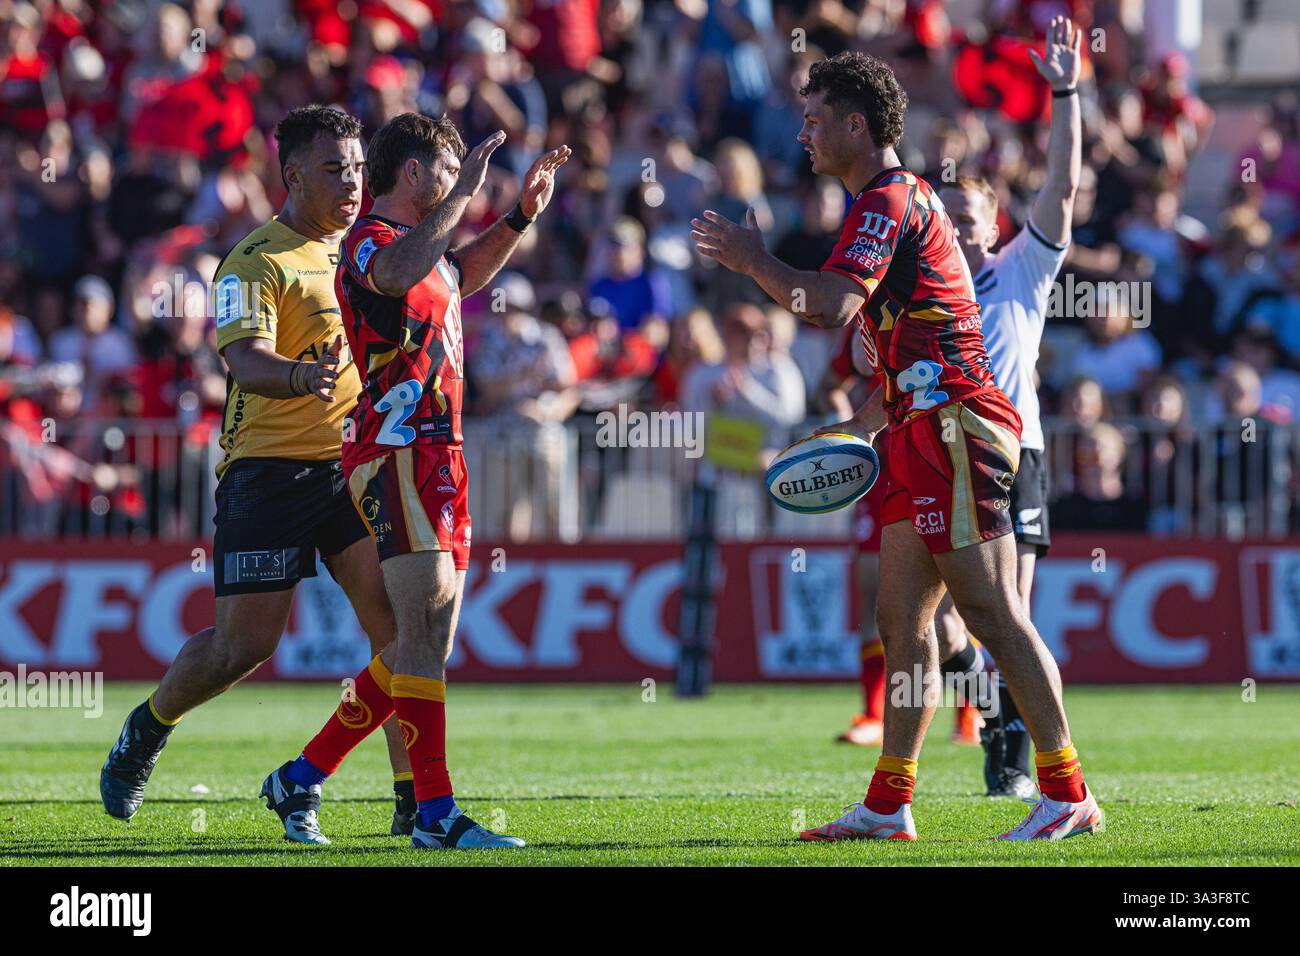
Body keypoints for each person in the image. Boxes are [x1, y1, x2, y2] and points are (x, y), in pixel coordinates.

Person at [691, 49, 1100, 841]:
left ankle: (1067, 789)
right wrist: (859, 427)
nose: (803, 133)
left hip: (956, 426)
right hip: (922, 424)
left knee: (991, 612)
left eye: (815, 120)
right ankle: (889, 802)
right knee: (901, 621)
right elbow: (905, 352)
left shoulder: (887, 196)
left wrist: (753, 262)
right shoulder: (881, 201)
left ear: (856, 124)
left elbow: (832, 306)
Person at [99, 106, 416, 839]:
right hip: (268, 471)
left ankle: (412, 799)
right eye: (335, 168)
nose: (351, 181)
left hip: (350, 464)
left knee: (397, 629)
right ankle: (147, 727)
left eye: (359, 167)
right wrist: (305, 377)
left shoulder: (365, 251)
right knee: (243, 647)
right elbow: (241, 358)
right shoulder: (255, 260)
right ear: (293, 174)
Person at [261, 112, 570, 850]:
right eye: (449, 165)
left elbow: (460, 273)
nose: (461, 175)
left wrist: (521, 214)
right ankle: (434, 812)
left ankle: (301, 776)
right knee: (420, 634)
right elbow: (400, 276)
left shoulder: (428, 255)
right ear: (415, 172)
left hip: (442, 453)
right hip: (396, 448)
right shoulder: (372, 241)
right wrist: (469, 192)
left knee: (419, 640)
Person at [935, 16, 1083, 796]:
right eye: (946, 223)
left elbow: (1061, 186)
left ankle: (1023, 765)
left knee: (1010, 614)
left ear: (992, 226)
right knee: (939, 625)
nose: (958, 234)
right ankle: (995, 714)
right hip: (940, 454)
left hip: (1012, 456)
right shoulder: (921, 290)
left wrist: (1065, 94)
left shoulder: (1020, 270)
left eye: (970, 222)